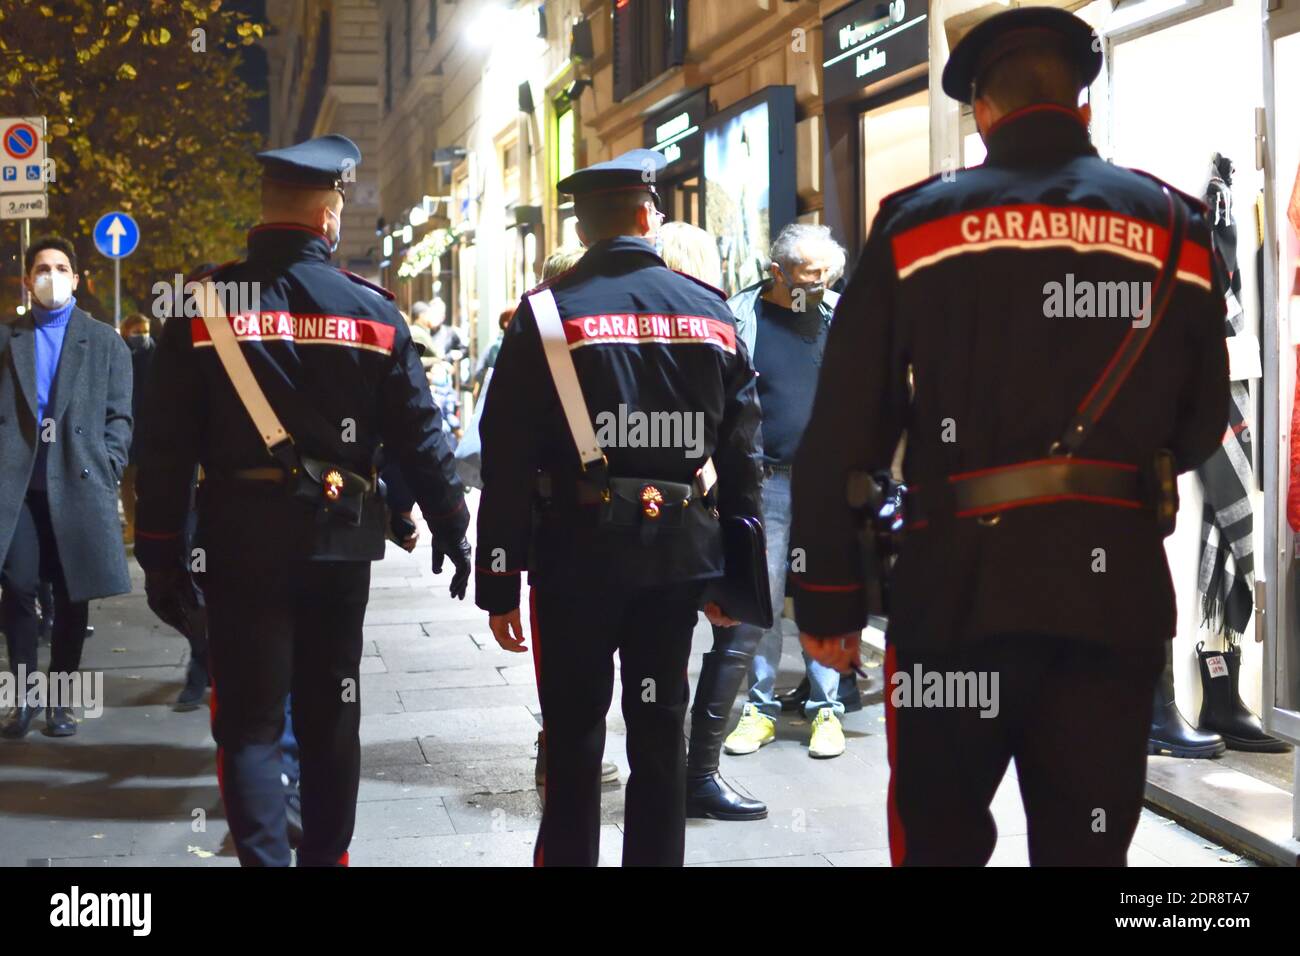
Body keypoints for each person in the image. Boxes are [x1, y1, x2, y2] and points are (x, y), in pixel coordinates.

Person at [791, 6, 1230, 866]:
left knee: (941, 839)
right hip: (1113, 600)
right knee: (1088, 847)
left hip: (957, 596)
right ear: (1084, 104)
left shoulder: (918, 225)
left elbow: (845, 421)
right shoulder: (1176, 229)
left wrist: (829, 595)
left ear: (981, 112)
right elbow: (1204, 418)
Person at [133, 134, 472, 867]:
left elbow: (160, 450)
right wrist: (453, 527)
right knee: (332, 716)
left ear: (263, 212)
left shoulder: (202, 308)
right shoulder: (373, 313)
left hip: (239, 536)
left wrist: (160, 558)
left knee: (252, 726)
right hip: (337, 540)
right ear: (328, 219)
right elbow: (421, 435)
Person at [477, 149, 764, 866]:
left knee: (574, 732)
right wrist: (737, 579)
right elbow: (741, 458)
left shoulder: (544, 315)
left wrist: (498, 579)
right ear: (647, 216)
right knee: (660, 729)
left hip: (575, 553)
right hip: (676, 556)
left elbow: (504, 454)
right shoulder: (710, 310)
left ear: (583, 226)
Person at [716, 224, 852, 783]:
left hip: (827, 483)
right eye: (808, 275)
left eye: (827, 275)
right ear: (777, 272)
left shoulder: (840, 316)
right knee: (761, 601)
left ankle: (826, 709)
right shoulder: (741, 317)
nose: (818, 284)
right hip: (764, 479)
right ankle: (762, 707)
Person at [0, 236, 133, 739]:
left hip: (78, 486)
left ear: (76, 279)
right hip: (18, 491)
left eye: (60, 268)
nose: (50, 276)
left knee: (73, 592)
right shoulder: (7, 338)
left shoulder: (104, 341)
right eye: (41, 268)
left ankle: (62, 700)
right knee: (16, 587)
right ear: (27, 279)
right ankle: (24, 697)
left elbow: (120, 415)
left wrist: (109, 464)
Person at [119, 313, 156, 546]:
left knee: (148, 480)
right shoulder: (120, 355)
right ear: (126, 332)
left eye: (144, 331)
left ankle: (147, 525)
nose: (141, 336)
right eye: (137, 331)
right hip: (126, 427)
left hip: (150, 429)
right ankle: (132, 524)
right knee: (127, 480)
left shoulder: (158, 355)